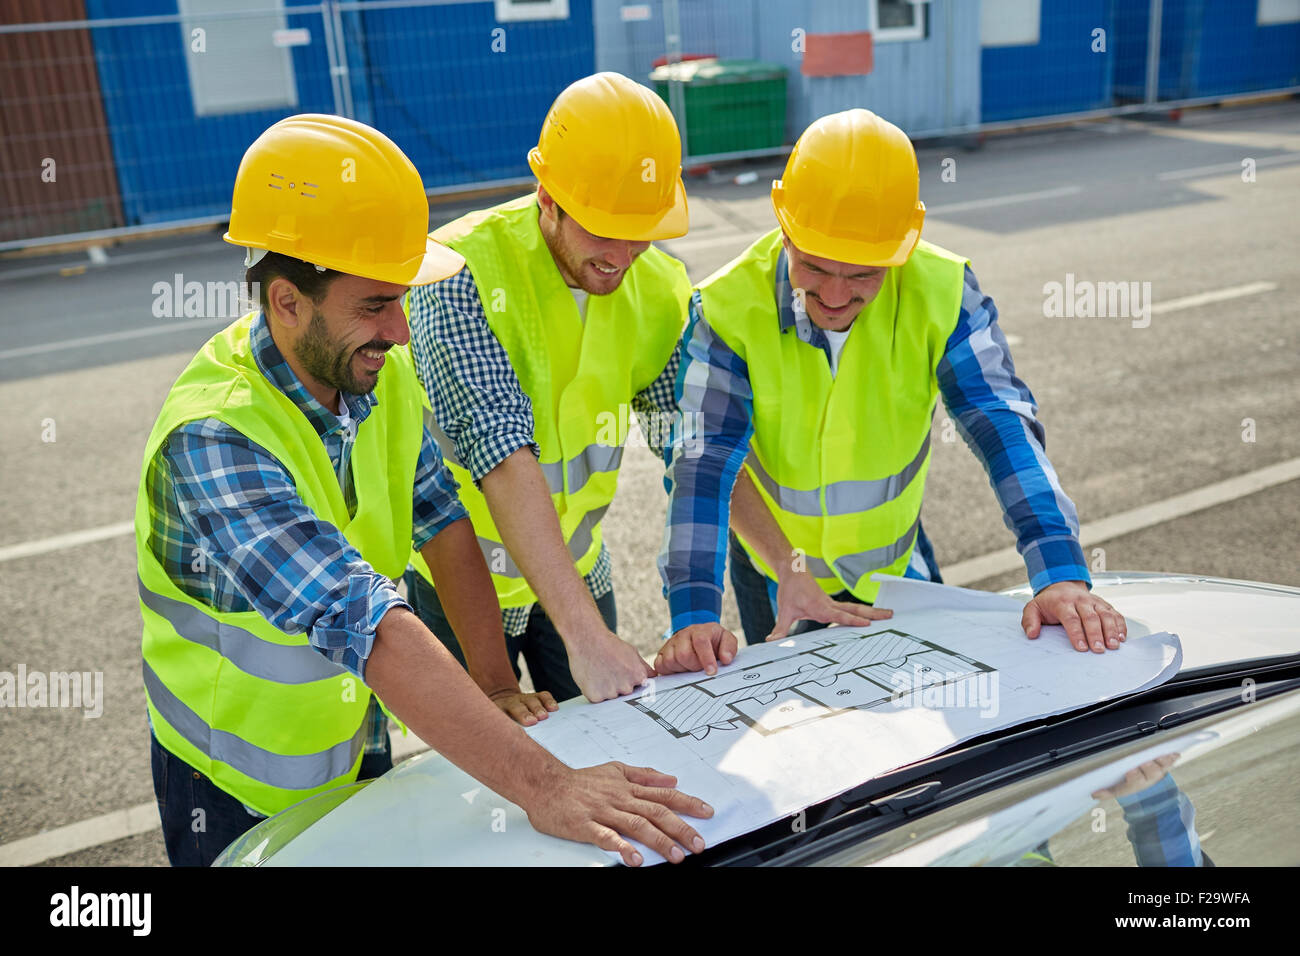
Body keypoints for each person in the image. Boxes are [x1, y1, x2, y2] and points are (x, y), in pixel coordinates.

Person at [138, 113, 710, 866]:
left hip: (354, 740)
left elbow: (443, 524)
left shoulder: (381, 379)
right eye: (375, 305)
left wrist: (496, 682)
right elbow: (364, 621)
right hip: (230, 781)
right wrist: (546, 786)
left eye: (401, 300)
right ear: (287, 302)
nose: (401, 331)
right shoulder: (215, 437)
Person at [656, 108, 1127, 676]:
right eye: (812, 266)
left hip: (896, 562)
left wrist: (1059, 574)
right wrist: (693, 617)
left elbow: (1000, 422)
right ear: (785, 228)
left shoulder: (944, 292)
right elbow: (703, 459)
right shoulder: (728, 307)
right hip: (777, 569)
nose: (833, 295)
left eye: (862, 276)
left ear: (902, 249)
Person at [403, 72, 692, 704]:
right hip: (462, 589)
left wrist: (695, 605)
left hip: (580, 574)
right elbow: (499, 452)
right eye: (602, 226)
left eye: (640, 227)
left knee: (608, 750)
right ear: (548, 196)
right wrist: (587, 641)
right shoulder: (455, 273)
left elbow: (691, 449)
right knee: (487, 778)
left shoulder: (664, 290)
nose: (623, 252)